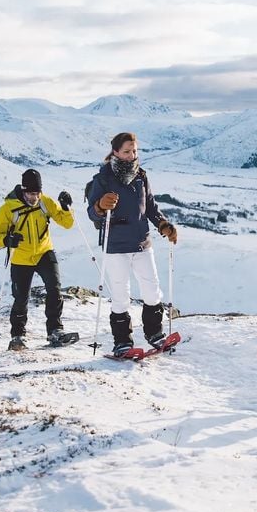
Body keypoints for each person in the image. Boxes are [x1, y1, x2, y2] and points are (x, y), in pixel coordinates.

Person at [86, 132, 178, 357]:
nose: (131, 155)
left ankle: (154, 333)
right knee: (120, 295)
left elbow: (151, 207)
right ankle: (122, 342)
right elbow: (92, 214)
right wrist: (99, 206)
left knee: (152, 290)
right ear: (115, 152)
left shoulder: (141, 176)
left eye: (134, 151)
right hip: (116, 245)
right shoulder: (103, 179)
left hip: (141, 242)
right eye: (127, 151)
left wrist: (163, 224)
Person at [0, 169, 75, 351]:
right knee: (21, 297)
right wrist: (7, 240)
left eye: (37, 193)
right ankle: (18, 336)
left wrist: (66, 208)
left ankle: (55, 330)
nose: (34, 197)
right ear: (23, 190)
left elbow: (67, 224)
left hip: (45, 252)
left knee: (55, 288)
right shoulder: (8, 208)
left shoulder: (45, 202)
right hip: (21, 257)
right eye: (30, 193)